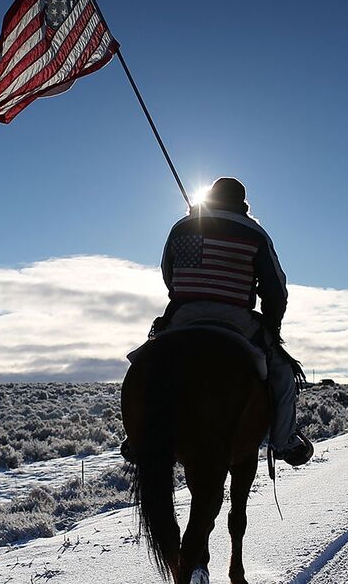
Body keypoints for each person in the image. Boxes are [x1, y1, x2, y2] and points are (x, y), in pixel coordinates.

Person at [131, 177, 313, 466]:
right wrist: (272, 325)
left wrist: (190, 290)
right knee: (282, 373)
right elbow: (276, 289)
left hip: (185, 313)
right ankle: (284, 441)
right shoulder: (255, 233)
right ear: (242, 203)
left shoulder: (182, 227)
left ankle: (137, 435)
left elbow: (168, 272)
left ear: (210, 196)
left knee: (146, 362)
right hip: (236, 317)